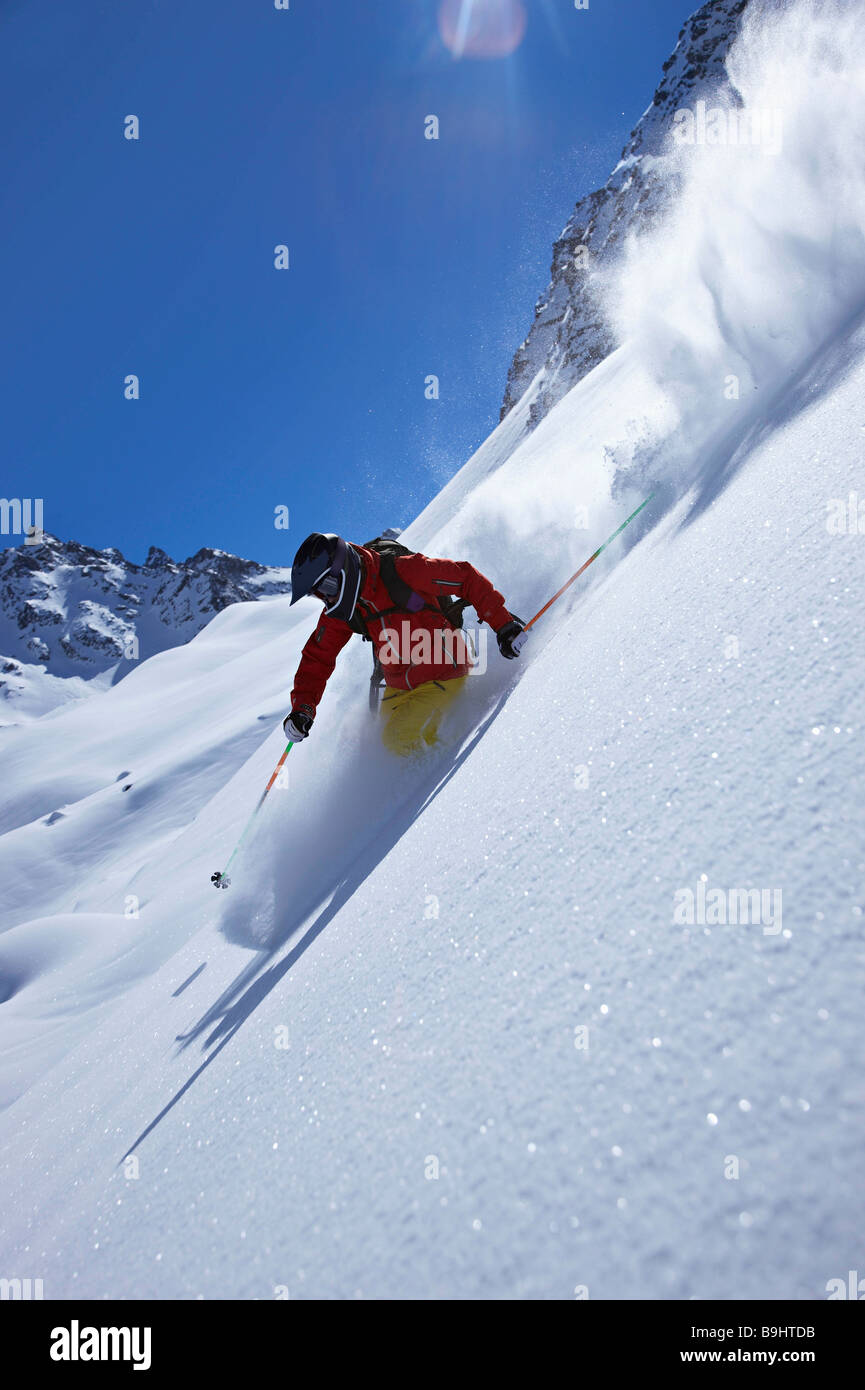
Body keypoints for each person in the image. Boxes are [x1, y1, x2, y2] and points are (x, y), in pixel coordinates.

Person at [284, 533, 525, 756]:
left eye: (327, 588)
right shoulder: (345, 610)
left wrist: (503, 625)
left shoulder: (404, 571)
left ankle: (453, 781)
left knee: (398, 740)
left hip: (444, 672)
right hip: (399, 686)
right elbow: (318, 657)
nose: (327, 599)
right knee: (378, 749)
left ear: (344, 569)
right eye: (318, 594)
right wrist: (303, 708)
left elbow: (465, 578)